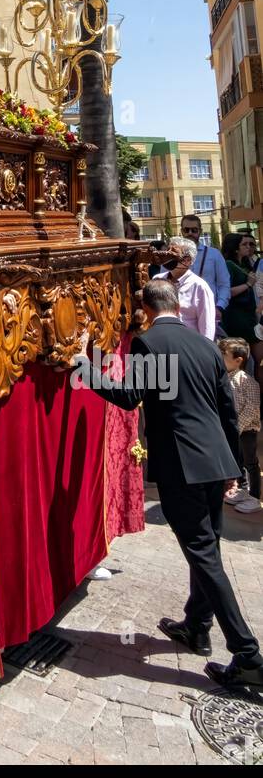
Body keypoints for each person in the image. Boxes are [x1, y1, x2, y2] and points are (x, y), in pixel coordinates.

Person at [73, 279, 263, 689]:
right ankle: (196, 626)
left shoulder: (148, 343)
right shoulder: (206, 345)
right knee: (207, 549)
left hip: (184, 466)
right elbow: (226, 409)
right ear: (177, 305)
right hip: (215, 462)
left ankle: (248, 654)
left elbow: (128, 397)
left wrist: (82, 366)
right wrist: (234, 466)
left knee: (205, 556)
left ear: (144, 308)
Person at [217, 337, 261, 509]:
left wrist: (237, 428)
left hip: (246, 431)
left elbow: (252, 408)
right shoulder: (223, 378)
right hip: (231, 430)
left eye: (223, 355)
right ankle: (241, 491)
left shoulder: (247, 381)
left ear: (238, 360)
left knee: (250, 463)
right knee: (237, 462)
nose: (219, 358)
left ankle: (254, 496)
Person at [152, 237, 215, 338]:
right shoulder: (157, 280)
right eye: (168, 251)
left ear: (187, 260)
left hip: (187, 347)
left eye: (173, 254)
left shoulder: (199, 287)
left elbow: (207, 327)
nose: (167, 256)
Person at [220, 232, 263, 375]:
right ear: (235, 248)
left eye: (251, 244)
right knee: (241, 362)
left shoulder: (244, 263)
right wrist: (248, 285)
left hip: (250, 316)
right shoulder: (229, 265)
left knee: (259, 360)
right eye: (244, 244)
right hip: (237, 317)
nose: (248, 247)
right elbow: (227, 292)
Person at [179, 215, 230, 325]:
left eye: (194, 230)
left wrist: (219, 307)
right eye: (186, 230)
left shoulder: (214, 254)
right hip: (180, 314)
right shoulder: (173, 255)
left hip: (209, 311)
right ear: (181, 231)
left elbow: (224, 284)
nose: (190, 233)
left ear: (200, 231)